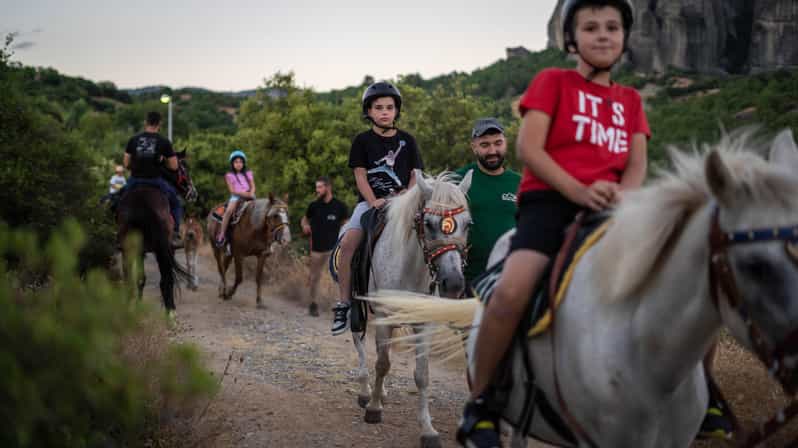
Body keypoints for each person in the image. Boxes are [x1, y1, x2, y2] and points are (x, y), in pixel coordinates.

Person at [456, 1, 650, 446]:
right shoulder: (552, 82)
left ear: (624, 36)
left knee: (688, 275)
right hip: (550, 204)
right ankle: (482, 404)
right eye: (591, 27)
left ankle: (704, 395)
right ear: (571, 38)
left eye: (612, 27)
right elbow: (529, 149)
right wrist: (579, 191)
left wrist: (624, 197)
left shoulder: (631, 100)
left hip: (614, 209)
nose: (603, 35)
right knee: (510, 293)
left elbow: (637, 164)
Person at [331, 81, 424, 336]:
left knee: (433, 235)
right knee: (349, 242)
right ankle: (344, 304)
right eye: (379, 107)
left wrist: (407, 194)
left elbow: (415, 174)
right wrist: (372, 201)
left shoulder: (408, 140)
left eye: (390, 107)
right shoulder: (362, 141)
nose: (385, 112)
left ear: (396, 111)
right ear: (369, 112)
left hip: (404, 202)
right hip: (371, 202)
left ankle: (430, 295)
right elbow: (360, 176)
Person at [455, 118, 520, 285]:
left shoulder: (519, 183)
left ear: (505, 143)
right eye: (485, 145)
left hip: (508, 279)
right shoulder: (457, 181)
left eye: (498, 143)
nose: (492, 150)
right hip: (466, 280)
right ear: (474, 147)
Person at [123, 111, 184, 248]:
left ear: (146, 122)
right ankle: (175, 234)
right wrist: (163, 160)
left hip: (135, 181)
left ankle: (118, 234)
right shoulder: (164, 141)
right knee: (176, 203)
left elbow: (126, 164)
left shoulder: (133, 140)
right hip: (155, 181)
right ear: (159, 124)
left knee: (116, 200)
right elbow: (174, 166)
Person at [301, 176, 348, 317]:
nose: (317, 190)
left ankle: (336, 307)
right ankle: (313, 304)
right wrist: (305, 225)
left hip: (333, 250)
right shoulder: (314, 206)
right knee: (314, 277)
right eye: (317, 187)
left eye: (320, 187)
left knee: (336, 278)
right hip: (316, 249)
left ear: (328, 187)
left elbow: (346, 223)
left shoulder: (339, 206)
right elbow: (304, 218)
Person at [215, 149, 256, 247]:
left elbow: (253, 185)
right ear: (232, 164)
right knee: (228, 211)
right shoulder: (229, 175)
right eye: (236, 162)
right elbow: (232, 191)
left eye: (241, 162)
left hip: (249, 195)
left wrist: (251, 193)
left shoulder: (248, 173)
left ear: (243, 163)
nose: (238, 164)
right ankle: (222, 234)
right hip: (236, 197)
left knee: (260, 209)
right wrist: (245, 194)